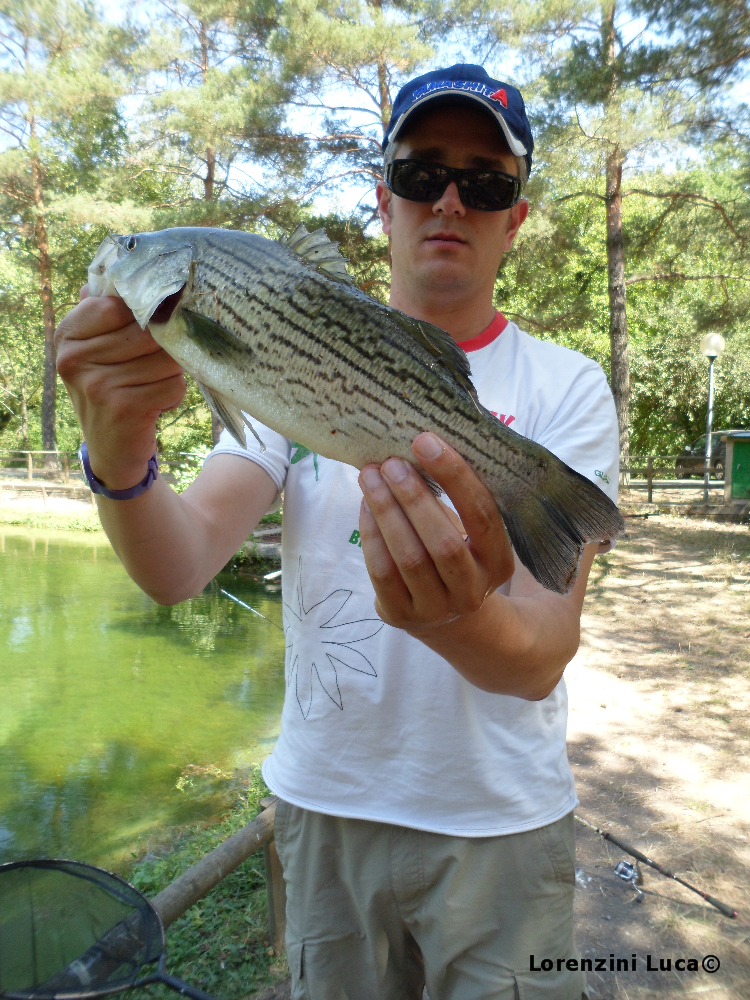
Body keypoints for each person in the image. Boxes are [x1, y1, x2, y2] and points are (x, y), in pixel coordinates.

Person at [56, 64, 619, 1000]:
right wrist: (118, 454)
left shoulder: (568, 388)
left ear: (515, 215)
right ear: (381, 196)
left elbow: (539, 656)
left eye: (485, 184)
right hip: (324, 809)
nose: (449, 200)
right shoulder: (277, 360)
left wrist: (456, 616)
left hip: (502, 823)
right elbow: (180, 563)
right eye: (419, 173)